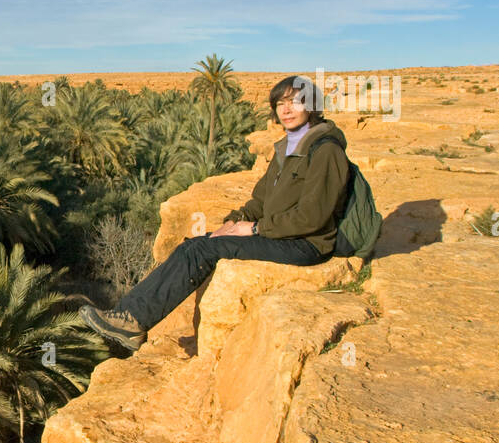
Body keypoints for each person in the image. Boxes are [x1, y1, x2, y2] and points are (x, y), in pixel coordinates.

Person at [81, 74, 351, 351]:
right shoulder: (289, 147)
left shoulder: (325, 150)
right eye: (280, 103)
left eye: (295, 102)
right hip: (282, 235)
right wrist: (235, 220)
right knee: (195, 245)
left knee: (201, 251)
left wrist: (256, 229)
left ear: (313, 106)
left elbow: (312, 217)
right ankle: (126, 316)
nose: (286, 109)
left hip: (305, 244)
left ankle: (133, 320)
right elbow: (260, 201)